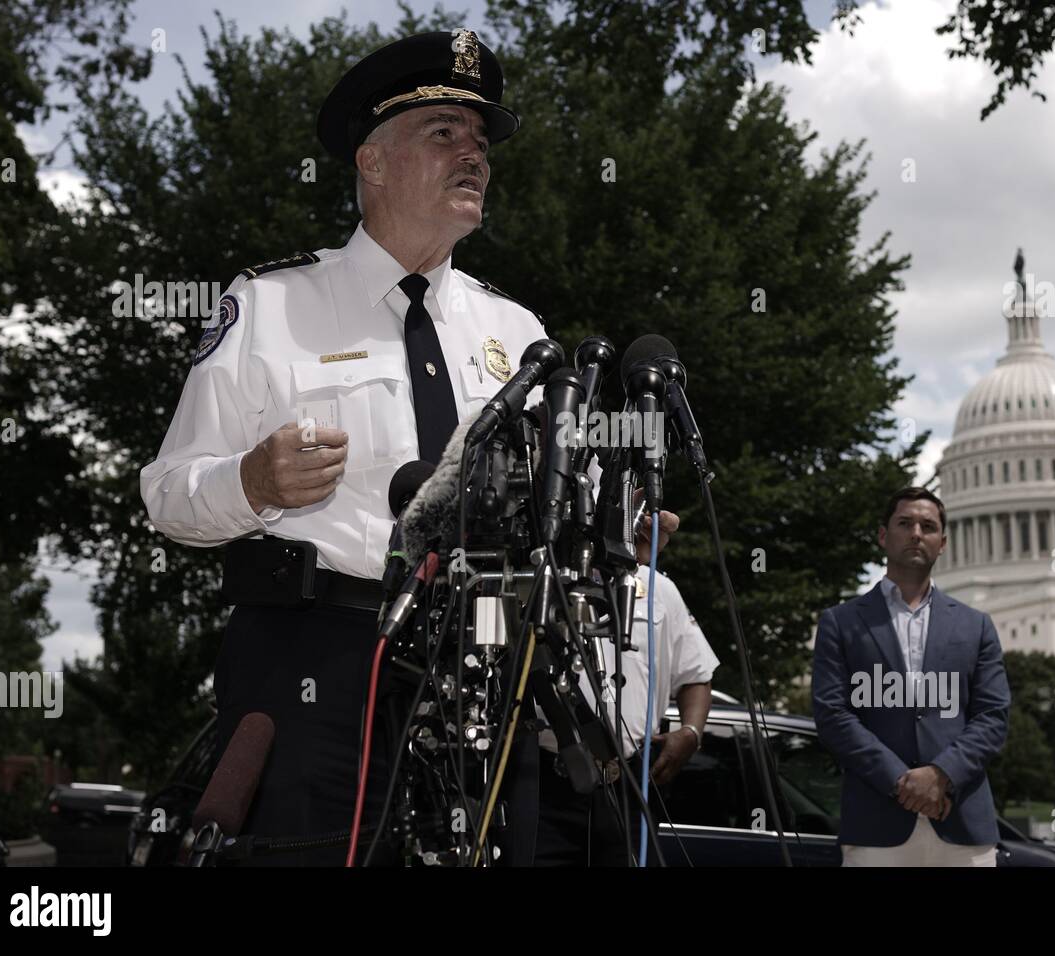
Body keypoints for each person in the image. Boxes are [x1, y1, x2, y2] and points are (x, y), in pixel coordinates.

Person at [139, 29, 676, 864]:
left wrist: (617, 523)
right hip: (316, 660)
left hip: (489, 666)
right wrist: (250, 479)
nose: (477, 154)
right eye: (445, 134)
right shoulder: (271, 304)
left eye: (482, 140)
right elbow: (168, 494)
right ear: (374, 162)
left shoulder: (517, 330)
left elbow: (563, 496)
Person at [811, 487, 1010, 866]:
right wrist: (902, 782)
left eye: (928, 526)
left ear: (942, 543)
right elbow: (832, 716)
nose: (916, 533)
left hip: (961, 822)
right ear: (883, 535)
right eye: (905, 523)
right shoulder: (841, 622)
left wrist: (941, 774)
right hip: (877, 825)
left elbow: (993, 716)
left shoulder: (976, 625)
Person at [531, 565, 718, 866]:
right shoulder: (537, 577)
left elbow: (696, 675)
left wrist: (691, 733)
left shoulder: (658, 587)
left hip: (631, 784)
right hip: (547, 784)